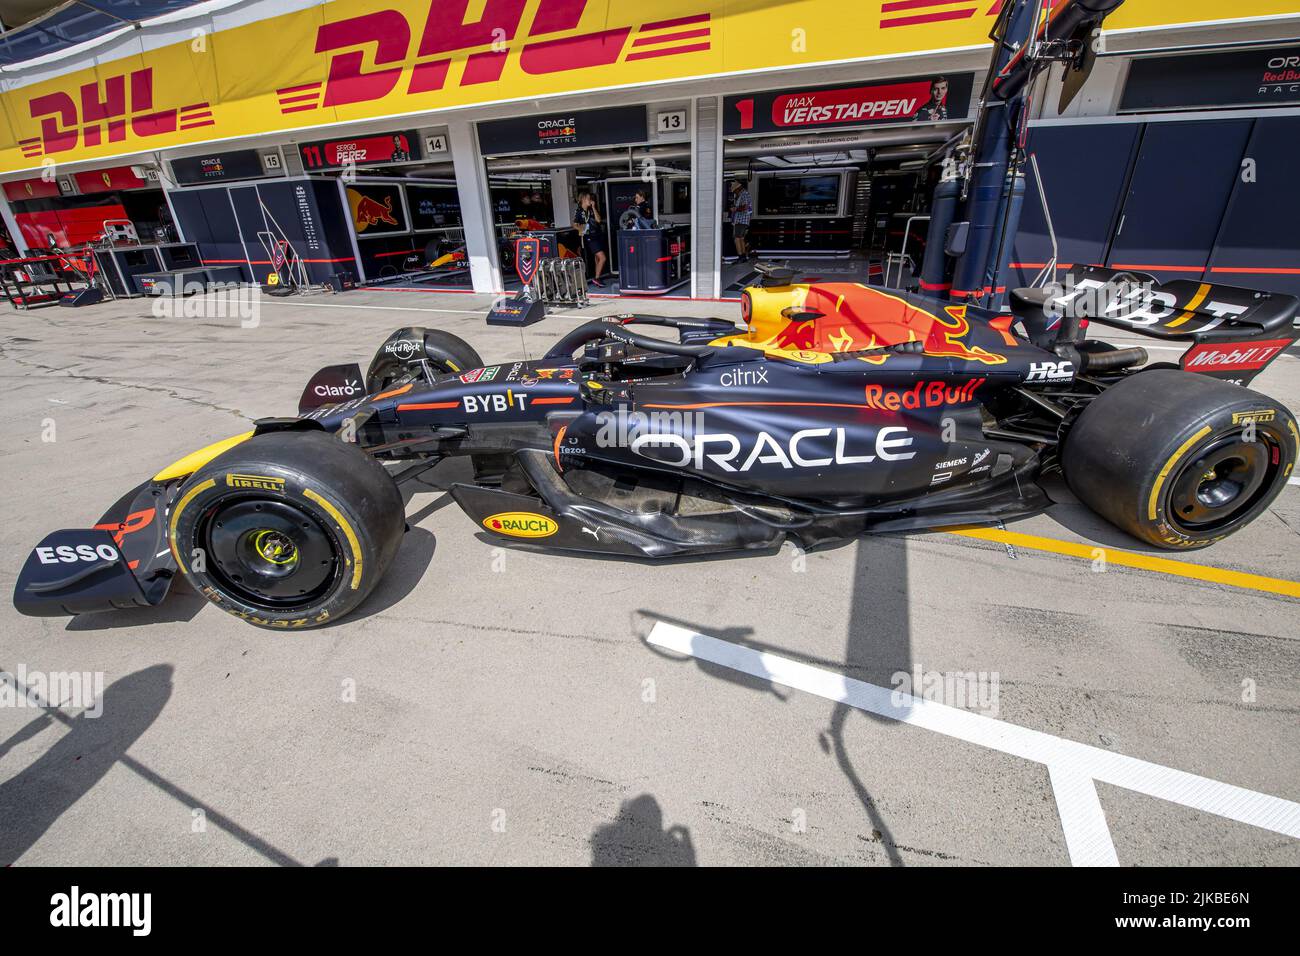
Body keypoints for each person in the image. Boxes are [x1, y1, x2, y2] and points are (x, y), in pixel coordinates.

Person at [573, 190, 607, 287]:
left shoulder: (591, 209)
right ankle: (596, 278)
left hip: (597, 235)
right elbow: (574, 224)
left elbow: (599, 220)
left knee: (597, 259)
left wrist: (594, 207)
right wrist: (582, 229)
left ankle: (598, 279)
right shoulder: (579, 211)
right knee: (603, 258)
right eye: (588, 198)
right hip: (589, 237)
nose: (590, 200)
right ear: (583, 199)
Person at [728, 179, 753, 260]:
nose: (734, 192)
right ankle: (743, 256)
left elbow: (745, 207)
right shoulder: (744, 194)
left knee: (737, 238)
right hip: (743, 220)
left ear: (738, 188)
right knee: (741, 238)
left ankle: (741, 256)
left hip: (741, 220)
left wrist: (735, 209)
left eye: (734, 191)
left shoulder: (744, 194)